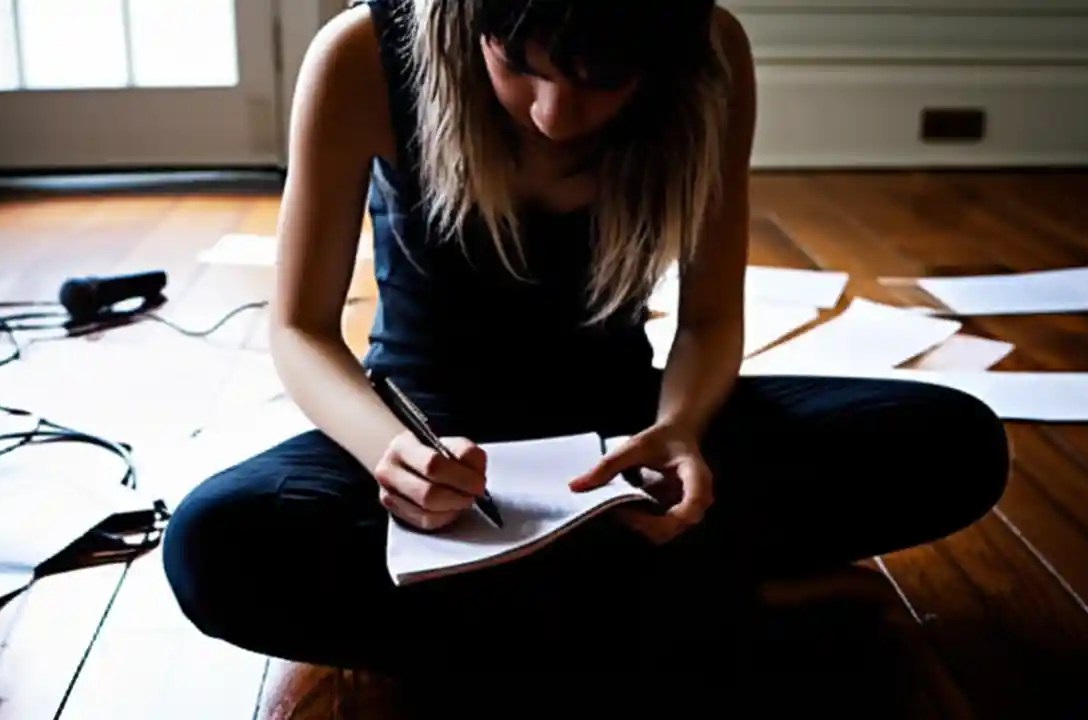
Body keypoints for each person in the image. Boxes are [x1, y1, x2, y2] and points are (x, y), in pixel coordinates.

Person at [163, 0, 1008, 695]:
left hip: (624, 441)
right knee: (213, 545)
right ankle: (700, 608)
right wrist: (392, 455)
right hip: (435, 439)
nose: (553, 114)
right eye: (517, 62)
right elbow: (300, 328)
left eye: (604, 79)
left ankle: (508, 631)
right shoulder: (360, 52)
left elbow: (711, 319)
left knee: (956, 441)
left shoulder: (711, 51)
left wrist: (680, 430)